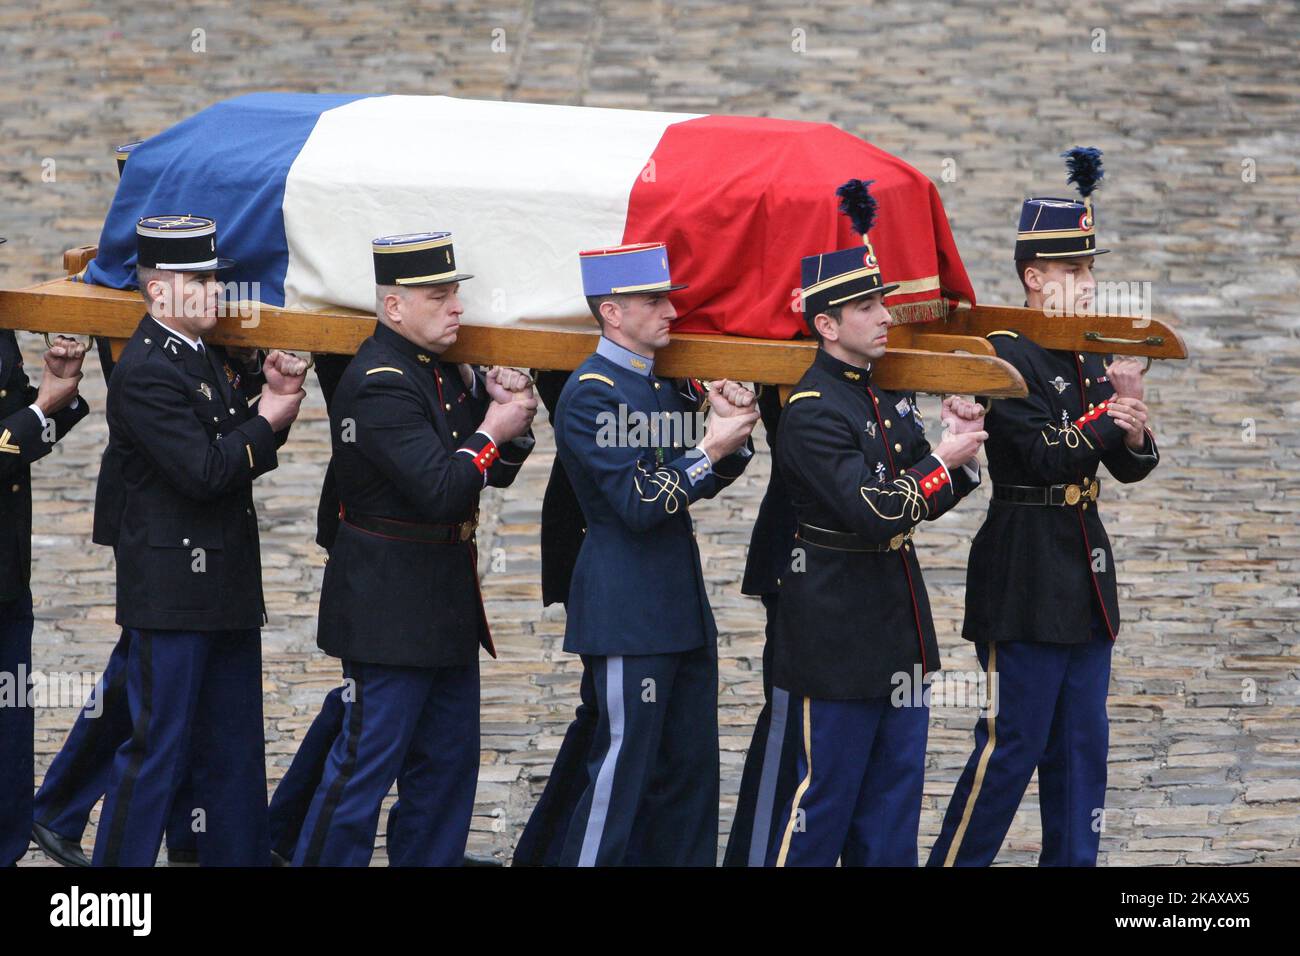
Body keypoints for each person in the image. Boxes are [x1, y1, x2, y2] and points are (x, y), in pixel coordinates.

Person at [928, 148, 1160, 867]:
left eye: (1090, 270)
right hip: (1025, 565)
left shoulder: (1087, 352)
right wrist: (1104, 416)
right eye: (1073, 272)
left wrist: (1136, 418)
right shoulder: (1005, 353)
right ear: (1035, 277)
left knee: (1082, 752)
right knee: (1011, 746)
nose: (1088, 285)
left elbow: (1125, 466)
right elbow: (1045, 453)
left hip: (1083, 572)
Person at [292, 231, 535, 866]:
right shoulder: (380, 382)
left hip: (445, 597)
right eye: (438, 295)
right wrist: (492, 428)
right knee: (364, 769)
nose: (455, 306)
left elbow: (490, 472)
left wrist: (511, 420)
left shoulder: (440, 369)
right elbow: (443, 488)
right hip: (388, 605)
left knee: (447, 763)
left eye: (455, 292)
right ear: (394, 307)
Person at [765, 180, 986, 866]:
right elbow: (873, 511)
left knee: (894, 799)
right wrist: (940, 464)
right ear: (826, 325)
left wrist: (961, 449)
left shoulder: (884, 394)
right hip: (834, 629)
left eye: (881, 300)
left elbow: (923, 488)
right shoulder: (811, 410)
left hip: (897, 625)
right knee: (824, 801)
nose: (883, 315)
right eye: (865, 306)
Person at [91, 215, 307, 866]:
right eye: (200, 280)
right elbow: (207, 472)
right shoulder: (149, 370)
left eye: (215, 277)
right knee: (158, 749)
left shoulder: (200, 354)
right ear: (160, 293)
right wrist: (268, 419)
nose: (216, 289)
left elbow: (232, 444)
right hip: (174, 597)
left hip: (227, 589)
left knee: (233, 748)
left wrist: (272, 400)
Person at [553, 241, 758, 866]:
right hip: (627, 611)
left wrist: (733, 438)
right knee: (621, 773)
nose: (670, 310)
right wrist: (712, 449)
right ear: (611, 312)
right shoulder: (592, 393)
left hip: (677, 608)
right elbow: (642, 503)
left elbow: (680, 486)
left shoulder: (654, 384)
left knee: (687, 776)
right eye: (652, 300)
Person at [0, 233, 91, 867]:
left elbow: (20, 422)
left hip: (6, 563)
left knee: (9, 725)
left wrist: (55, 396)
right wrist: (39, 411)